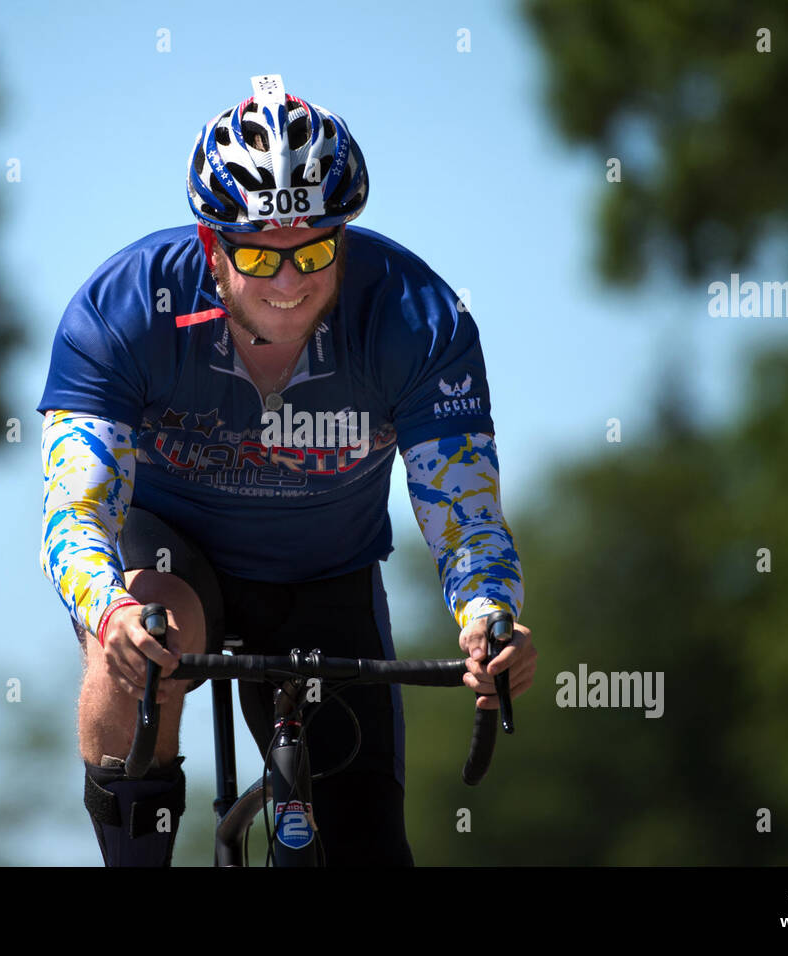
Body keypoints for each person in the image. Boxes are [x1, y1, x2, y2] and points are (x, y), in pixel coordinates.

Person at [37, 74, 535, 866]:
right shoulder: (122, 309)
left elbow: (466, 513)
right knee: (143, 644)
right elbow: (75, 512)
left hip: (324, 573)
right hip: (172, 558)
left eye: (314, 250)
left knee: (369, 849)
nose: (290, 281)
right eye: (258, 258)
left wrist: (486, 615)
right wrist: (110, 614)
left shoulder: (418, 318)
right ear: (210, 246)